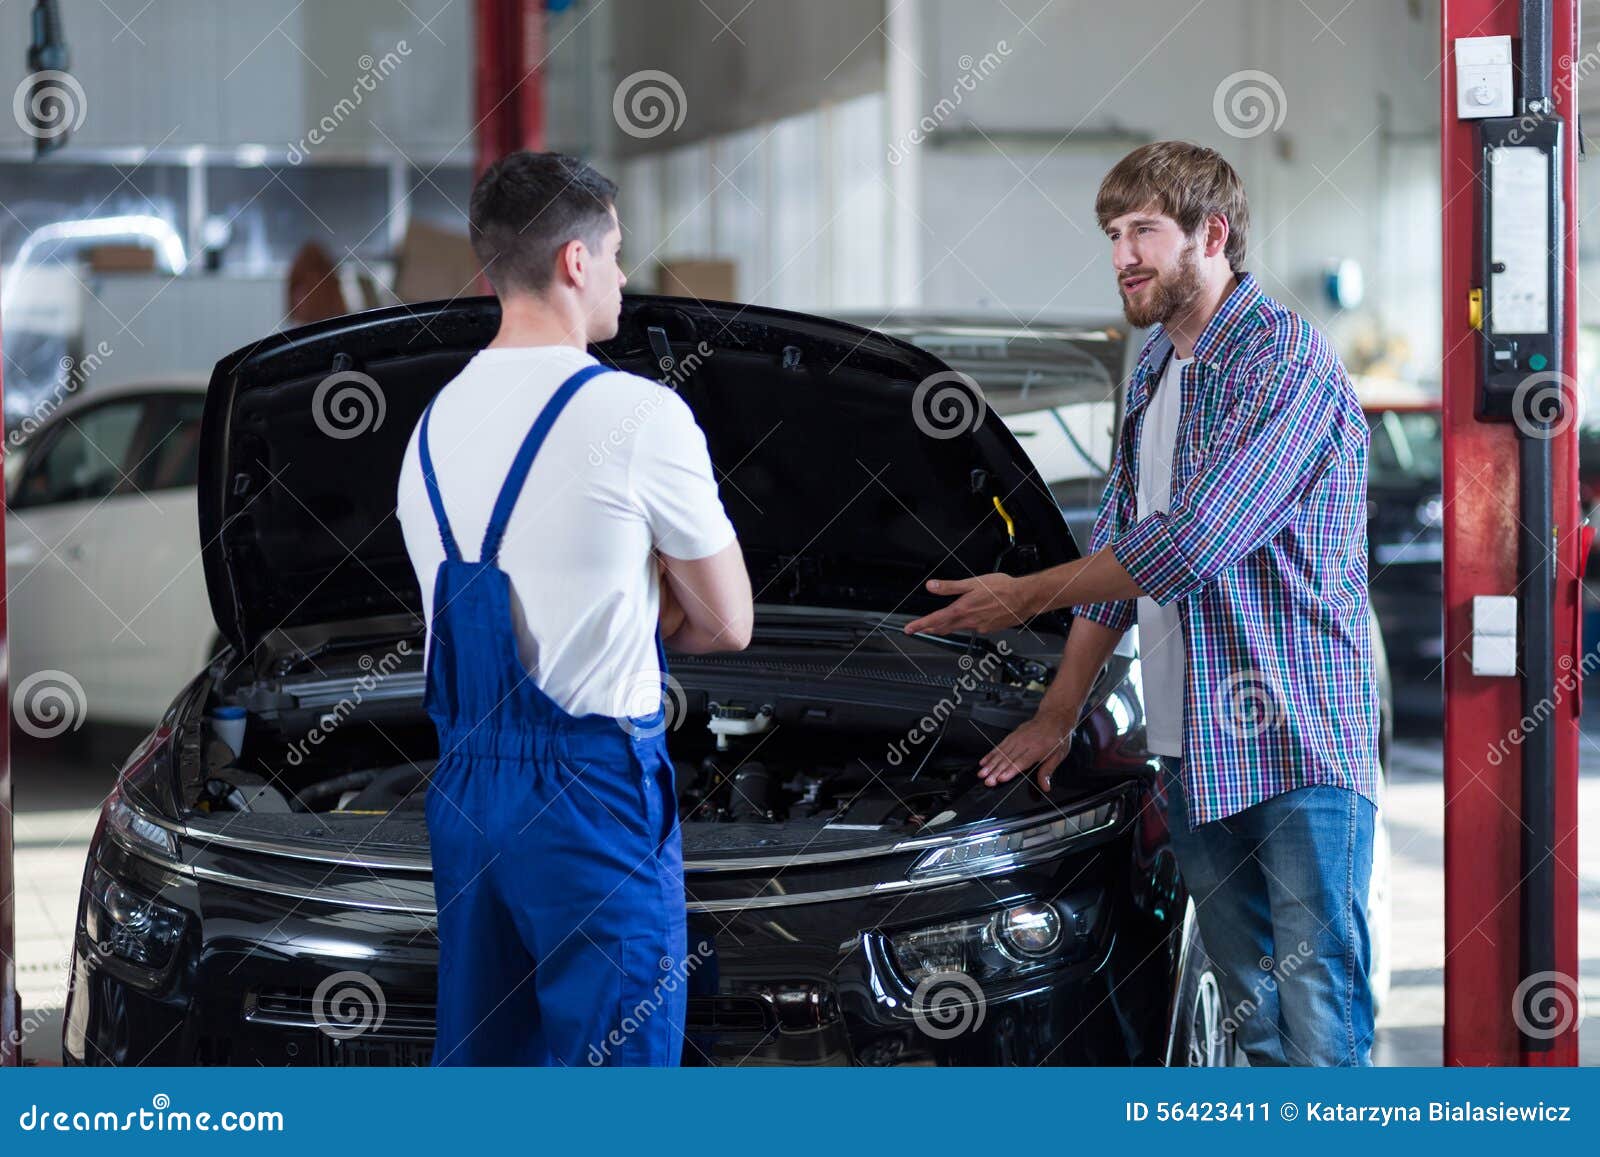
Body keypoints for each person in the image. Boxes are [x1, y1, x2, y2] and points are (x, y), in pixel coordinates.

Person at [906, 141, 1379, 1066]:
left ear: (1214, 234)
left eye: (1144, 231)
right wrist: (1057, 711)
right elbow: (1118, 557)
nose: (1123, 255)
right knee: (1254, 1020)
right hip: (1194, 746)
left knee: (1320, 1019)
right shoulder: (1158, 367)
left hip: (1297, 740)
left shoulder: (1282, 357)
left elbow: (1189, 544)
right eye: (1113, 235)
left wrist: (1023, 595)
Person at [395, 151, 753, 1066]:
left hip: (466, 793)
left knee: (487, 1066)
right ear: (575, 260)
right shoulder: (638, 415)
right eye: (618, 253)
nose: (626, 277)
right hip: (590, 797)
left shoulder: (430, 425)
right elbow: (728, 622)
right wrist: (646, 604)